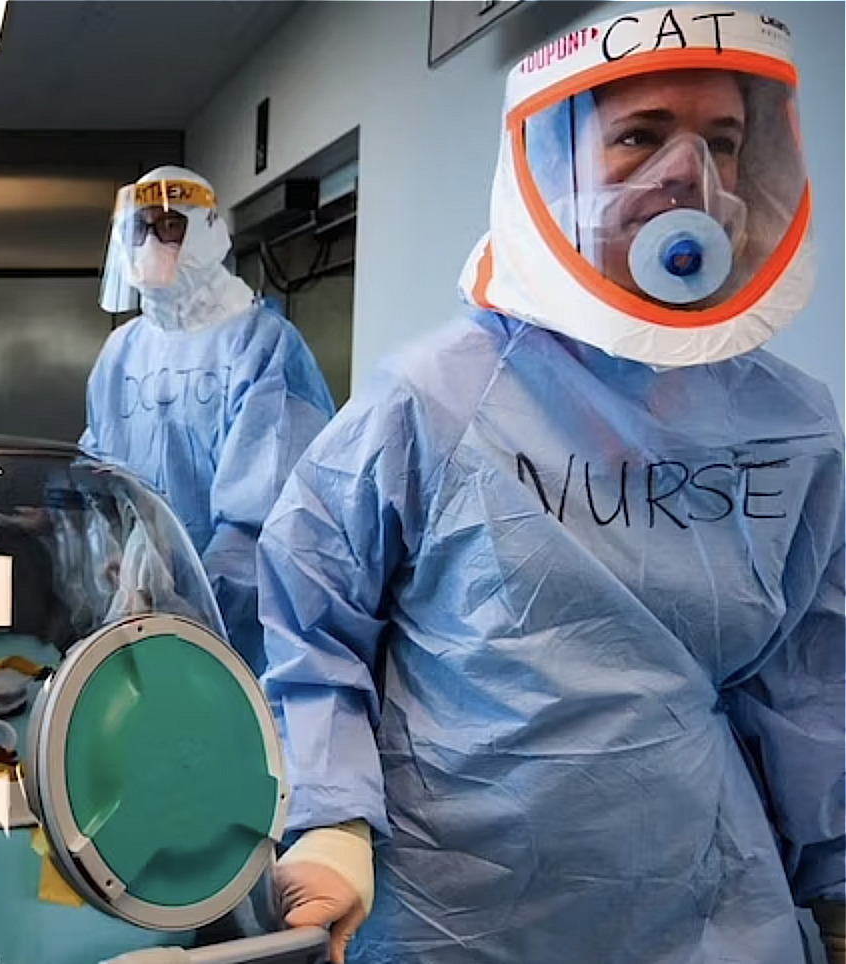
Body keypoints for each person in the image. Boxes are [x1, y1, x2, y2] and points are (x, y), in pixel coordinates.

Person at [258, 7, 843, 963]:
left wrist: (838, 879)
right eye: (641, 137)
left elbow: (816, 681)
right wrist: (332, 816)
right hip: (458, 897)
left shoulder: (790, 424)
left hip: (703, 898)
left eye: (722, 143)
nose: (685, 179)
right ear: (555, 157)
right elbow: (313, 607)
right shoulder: (441, 396)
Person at [83, 165, 335, 669]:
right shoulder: (121, 351)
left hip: (234, 634)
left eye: (170, 225)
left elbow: (263, 522)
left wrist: (187, 599)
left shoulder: (259, 345)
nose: (153, 241)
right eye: (141, 227)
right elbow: (97, 477)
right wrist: (109, 561)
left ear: (205, 228)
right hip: (132, 620)